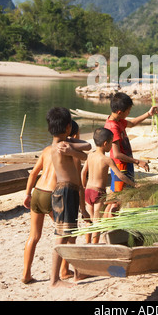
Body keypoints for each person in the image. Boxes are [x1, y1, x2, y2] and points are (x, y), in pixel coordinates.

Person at [22, 119, 86, 284]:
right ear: (73, 133)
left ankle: (26, 274)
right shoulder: (69, 152)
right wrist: (82, 207)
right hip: (54, 195)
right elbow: (78, 182)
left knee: (34, 236)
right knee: (68, 236)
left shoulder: (47, 150)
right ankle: (64, 271)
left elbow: (33, 173)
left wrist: (28, 194)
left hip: (38, 192)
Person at [47, 107, 91, 287]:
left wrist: (72, 147)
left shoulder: (64, 144)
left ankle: (76, 273)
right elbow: (86, 149)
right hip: (65, 192)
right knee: (61, 236)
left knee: (71, 234)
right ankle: (54, 279)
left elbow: (86, 149)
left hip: (69, 192)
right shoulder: (59, 147)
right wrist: (72, 148)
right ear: (67, 127)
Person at [81, 127, 138, 244]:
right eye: (111, 143)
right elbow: (120, 176)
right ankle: (94, 245)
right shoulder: (107, 160)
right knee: (97, 222)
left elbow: (83, 173)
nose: (112, 146)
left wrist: (83, 187)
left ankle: (87, 243)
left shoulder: (90, 156)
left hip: (88, 191)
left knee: (89, 221)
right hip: (98, 193)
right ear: (105, 143)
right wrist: (133, 184)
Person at [104, 92, 157, 215]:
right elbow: (116, 154)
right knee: (118, 201)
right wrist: (138, 162)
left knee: (114, 198)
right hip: (120, 167)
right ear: (119, 112)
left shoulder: (119, 120)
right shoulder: (113, 127)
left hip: (124, 165)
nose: (129, 113)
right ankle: (110, 228)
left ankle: (104, 226)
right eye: (128, 111)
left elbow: (132, 123)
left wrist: (148, 114)